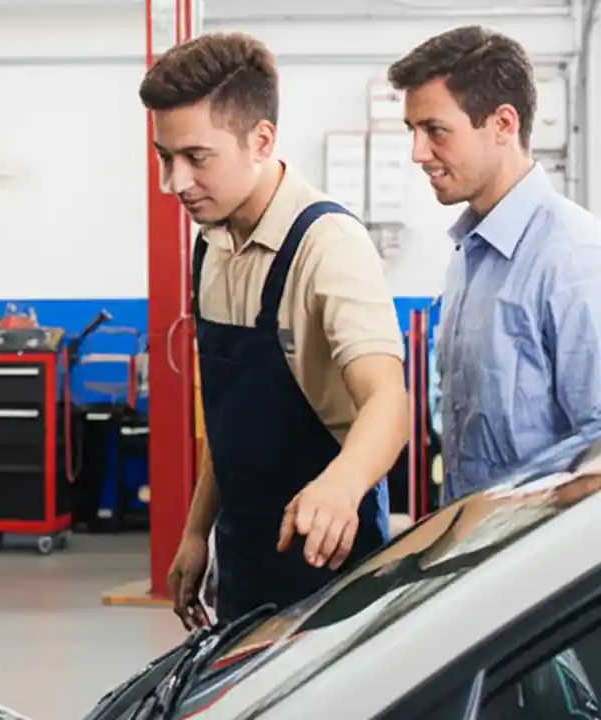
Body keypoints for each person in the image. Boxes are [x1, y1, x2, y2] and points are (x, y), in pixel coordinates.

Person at [139, 32, 410, 628]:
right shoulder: (209, 247)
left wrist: (340, 487)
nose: (173, 181)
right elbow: (231, 420)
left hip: (330, 556)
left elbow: (389, 402)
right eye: (165, 157)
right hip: (243, 555)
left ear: (261, 140)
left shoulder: (328, 245)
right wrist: (195, 531)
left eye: (196, 157)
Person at [388, 26, 601, 504]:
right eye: (413, 131)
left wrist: (510, 519)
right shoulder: (468, 256)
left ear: (503, 123)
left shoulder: (573, 261)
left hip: (544, 570)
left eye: (435, 131)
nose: (418, 153)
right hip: (482, 559)